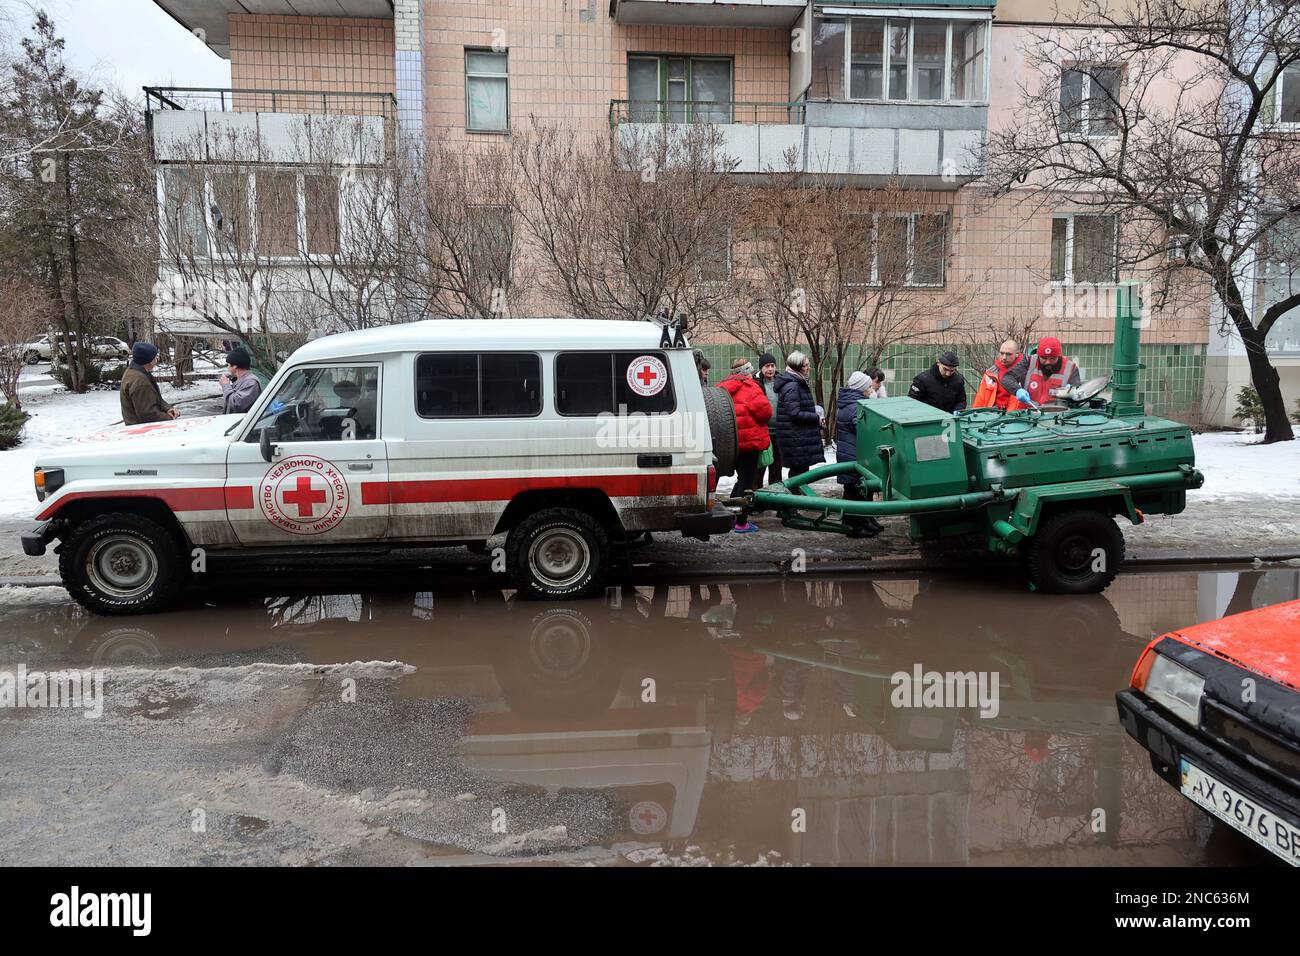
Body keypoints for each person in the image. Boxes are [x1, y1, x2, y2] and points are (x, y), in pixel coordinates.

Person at [718, 358, 773, 533]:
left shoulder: (722, 388)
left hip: (731, 444)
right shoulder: (751, 388)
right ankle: (741, 522)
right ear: (746, 373)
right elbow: (766, 413)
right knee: (746, 483)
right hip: (750, 443)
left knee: (741, 481)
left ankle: (731, 515)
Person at [837, 371, 883, 538]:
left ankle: (861, 522)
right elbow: (863, 430)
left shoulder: (848, 402)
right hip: (854, 454)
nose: (871, 388)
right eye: (868, 386)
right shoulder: (856, 406)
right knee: (855, 492)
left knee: (854, 490)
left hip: (849, 452)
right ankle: (854, 527)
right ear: (862, 388)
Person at [772, 351, 825, 479]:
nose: (809, 368)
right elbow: (794, 414)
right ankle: (795, 498)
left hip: (798, 438)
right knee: (798, 476)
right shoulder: (793, 385)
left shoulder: (796, 382)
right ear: (797, 367)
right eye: (806, 365)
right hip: (796, 439)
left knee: (799, 475)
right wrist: (816, 417)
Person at [1001, 335, 1082, 407]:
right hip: (1028, 415)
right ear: (1038, 355)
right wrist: (1017, 390)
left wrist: (1072, 394)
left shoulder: (1070, 368)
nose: (1048, 362)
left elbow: (1079, 395)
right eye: (1043, 358)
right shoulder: (1028, 362)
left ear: (1059, 356)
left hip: (1057, 417)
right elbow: (1007, 378)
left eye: (1052, 358)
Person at [120, 342, 178, 426]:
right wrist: (169, 418)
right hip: (143, 432)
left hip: (140, 428)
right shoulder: (140, 382)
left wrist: (168, 408)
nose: (157, 359)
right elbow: (148, 415)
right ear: (150, 361)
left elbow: (154, 399)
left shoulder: (135, 371)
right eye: (155, 357)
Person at [754, 352, 783, 486]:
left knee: (777, 467)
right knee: (760, 466)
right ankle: (757, 495)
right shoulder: (756, 383)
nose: (770, 369)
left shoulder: (781, 382)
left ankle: (776, 496)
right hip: (763, 432)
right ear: (761, 368)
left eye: (772, 365)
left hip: (779, 432)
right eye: (767, 366)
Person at [973, 339, 1024, 411]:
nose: (1004, 357)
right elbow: (980, 400)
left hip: (1018, 417)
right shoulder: (990, 373)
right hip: (993, 415)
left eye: (1008, 354)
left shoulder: (1026, 373)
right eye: (1002, 353)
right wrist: (975, 416)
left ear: (1017, 354)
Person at [220, 346, 262, 415]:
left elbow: (236, 404)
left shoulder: (251, 382)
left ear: (235, 366)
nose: (227, 368)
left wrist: (226, 386)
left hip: (245, 424)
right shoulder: (240, 381)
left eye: (228, 365)